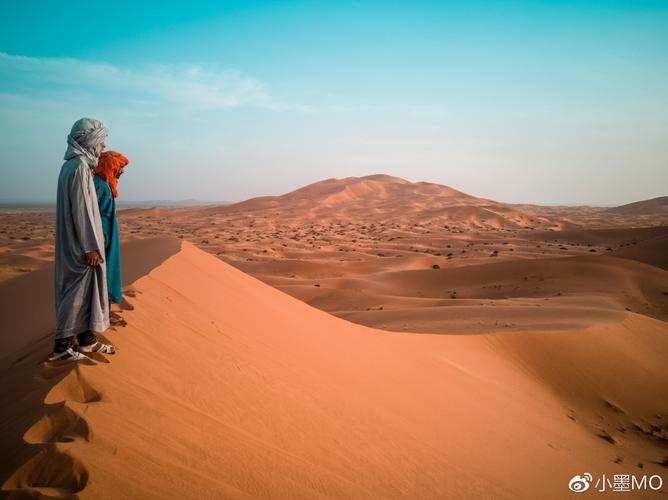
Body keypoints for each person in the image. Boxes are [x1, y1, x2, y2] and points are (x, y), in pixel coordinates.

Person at [51, 118, 116, 361]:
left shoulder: (76, 166)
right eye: (100, 141)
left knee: (86, 290)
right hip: (81, 246)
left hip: (79, 243)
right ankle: (62, 347)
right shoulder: (78, 167)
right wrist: (90, 245)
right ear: (88, 141)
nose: (103, 146)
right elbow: (83, 211)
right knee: (76, 292)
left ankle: (87, 341)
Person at [93, 151, 129, 306]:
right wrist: (93, 245)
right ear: (110, 164)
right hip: (98, 244)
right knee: (100, 281)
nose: (122, 171)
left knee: (107, 277)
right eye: (120, 166)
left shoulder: (106, 185)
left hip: (106, 242)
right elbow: (93, 218)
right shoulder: (99, 185)